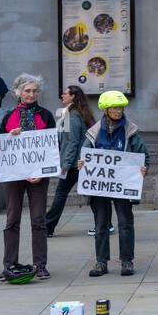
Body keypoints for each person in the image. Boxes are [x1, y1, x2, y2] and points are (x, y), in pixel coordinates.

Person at [0, 73, 56, 280]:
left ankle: (40, 264)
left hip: (38, 175)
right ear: (18, 93)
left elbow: (50, 146)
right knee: (12, 218)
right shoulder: (8, 115)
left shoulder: (46, 115)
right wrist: (9, 136)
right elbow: (1, 145)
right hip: (14, 174)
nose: (31, 94)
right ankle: (9, 264)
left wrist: (41, 171)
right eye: (27, 91)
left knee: (38, 218)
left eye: (34, 91)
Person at [80, 91, 149, 277]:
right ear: (106, 109)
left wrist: (143, 168)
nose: (118, 111)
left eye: (120, 107)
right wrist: (81, 164)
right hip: (100, 188)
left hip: (122, 187)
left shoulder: (130, 131)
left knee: (125, 223)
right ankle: (101, 262)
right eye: (114, 108)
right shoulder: (94, 132)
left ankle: (127, 261)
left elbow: (143, 156)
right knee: (101, 224)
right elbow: (84, 155)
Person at [44, 85, 95, 238]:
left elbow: (73, 142)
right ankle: (105, 224)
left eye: (65, 93)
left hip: (74, 163)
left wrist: (65, 164)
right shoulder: (75, 113)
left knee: (61, 193)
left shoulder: (72, 115)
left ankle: (48, 226)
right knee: (91, 193)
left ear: (73, 96)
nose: (62, 95)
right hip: (77, 161)